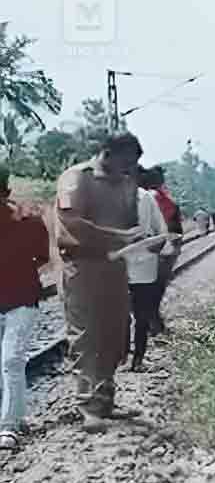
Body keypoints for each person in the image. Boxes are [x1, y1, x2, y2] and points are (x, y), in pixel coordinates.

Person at [56, 133, 146, 429]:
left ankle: (105, 401)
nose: (128, 170)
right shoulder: (77, 178)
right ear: (107, 153)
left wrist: (140, 238)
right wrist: (118, 236)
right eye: (125, 163)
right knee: (86, 335)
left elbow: (129, 222)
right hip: (83, 267)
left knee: (115, 333)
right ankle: (87, 406)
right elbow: (71, 223)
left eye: (132, 166)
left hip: (115, 266)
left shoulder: (125, 182)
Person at [0, 166, 50, 450]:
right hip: (22, 294)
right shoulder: (29, 221)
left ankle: (9, 424)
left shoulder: (29, 221)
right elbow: (41, 257)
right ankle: (11, 419)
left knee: (11, 361)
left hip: (21, 300)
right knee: (10, 362)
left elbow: (42, 255)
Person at [125, 167, 174, 372]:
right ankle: (127, 356)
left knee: (139, 315)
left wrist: (153, 245)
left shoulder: (145, 198)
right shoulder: (104, 200)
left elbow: (162, 233)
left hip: (140, 265)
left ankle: (136, 358)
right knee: (127, 315)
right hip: (120, 267)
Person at [144, 166, 182, 336]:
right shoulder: (158, 197)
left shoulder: (152, 196)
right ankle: (154, 324)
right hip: (162, 250)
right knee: (155, 288)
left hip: (159, 248)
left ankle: (153, 323)